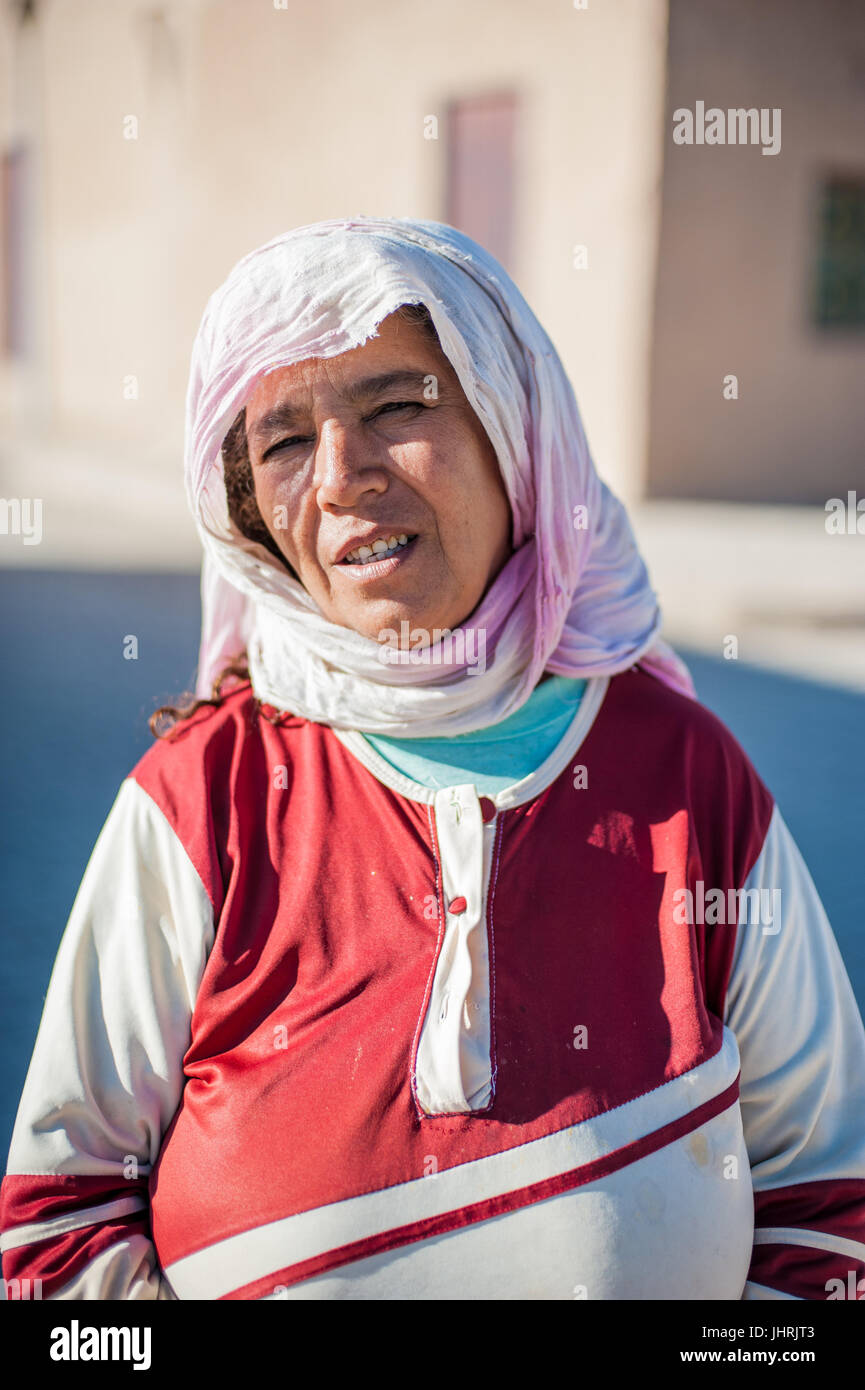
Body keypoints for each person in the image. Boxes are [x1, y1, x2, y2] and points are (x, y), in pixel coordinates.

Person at [2, 217, 864, 1301]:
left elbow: (827, 1209)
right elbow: (59, 1226)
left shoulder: (688, 780)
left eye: (397, 407)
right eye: (283, 442)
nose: (341, 478)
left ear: (516, 434)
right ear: (251, 515)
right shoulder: (203, 798)